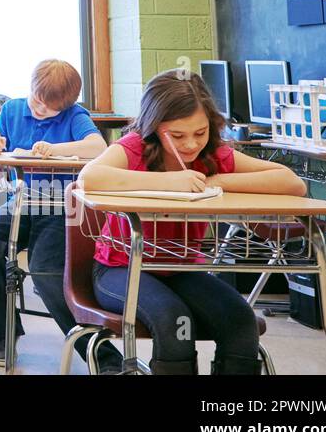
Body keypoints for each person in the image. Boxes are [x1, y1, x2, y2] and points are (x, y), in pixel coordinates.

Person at [78, 70, 306, 374]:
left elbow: (293, 183)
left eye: (200, 133)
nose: (190, 145)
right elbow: (89, 178)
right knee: (172, 321)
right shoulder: (134, 147)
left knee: (241, 321)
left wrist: (215, 180)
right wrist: (170, 181)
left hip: (182, 269)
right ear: (154, 127)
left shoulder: (214, 155)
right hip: (120, 269)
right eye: (177, 135)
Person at [0, 58, 121, 372]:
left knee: (45, 271)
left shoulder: (75, 115)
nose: (39, 109)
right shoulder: (12, 110)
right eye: (36, 99)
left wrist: (54, 149)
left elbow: (98, 147)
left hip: (61, 209)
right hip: (22, 202)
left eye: (48, 108)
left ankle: (102, 356)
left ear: (66, 105)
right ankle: (5, 330)